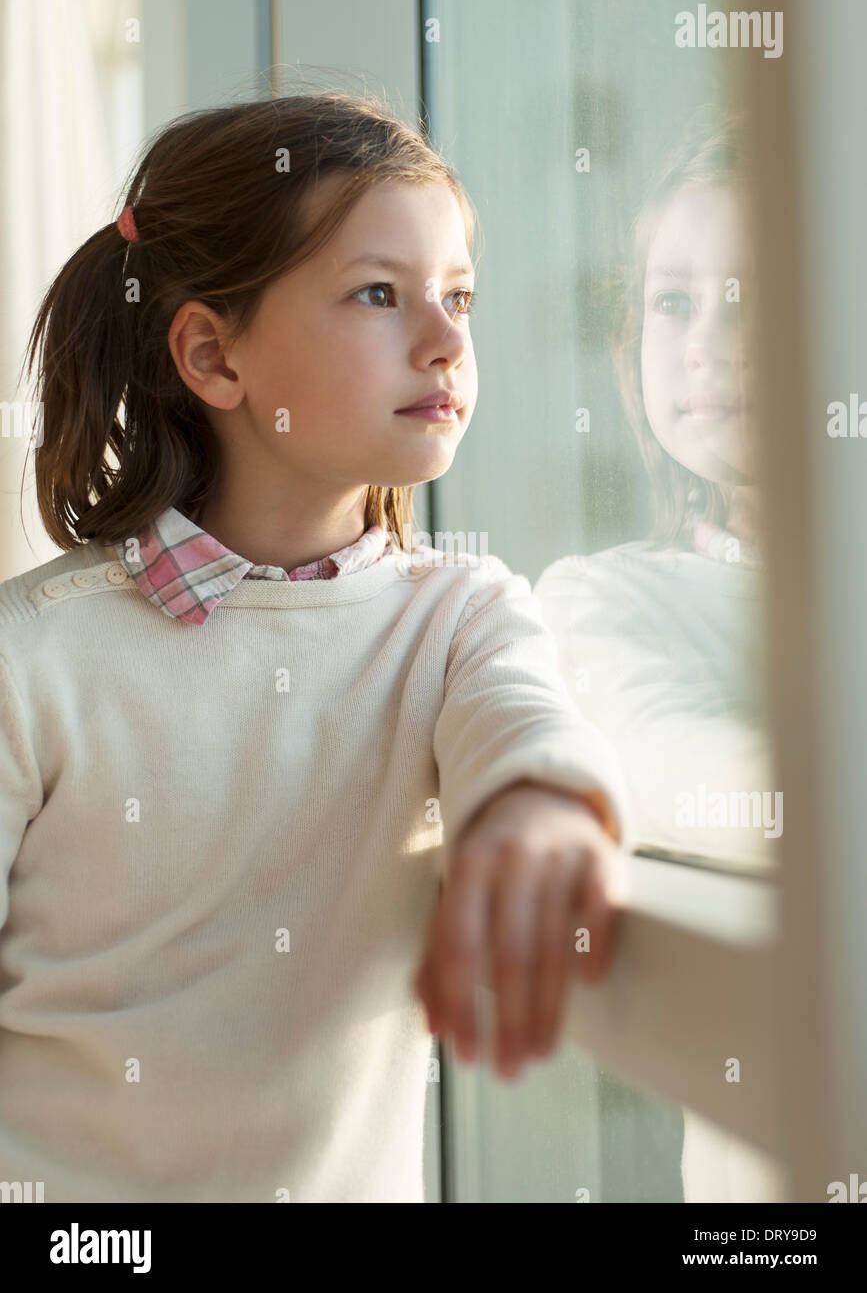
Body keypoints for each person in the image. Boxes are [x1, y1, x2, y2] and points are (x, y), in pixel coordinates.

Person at [0, 89, 633, 1203]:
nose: (446, 341)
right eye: (379, 294)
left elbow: (528, 727)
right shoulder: (33, 656)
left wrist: (536, 813)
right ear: (213, 355)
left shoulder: (458, 617)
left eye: (460, 296)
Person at [534, 109, 785, 1200]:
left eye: (755, 296)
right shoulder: (600, 601)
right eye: (675, 301)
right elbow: (714, 783)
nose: (708, 341)